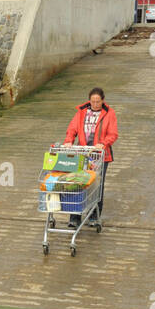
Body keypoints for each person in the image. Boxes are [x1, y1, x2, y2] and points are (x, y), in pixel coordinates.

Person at [63, 87, 118, 226]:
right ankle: (74, 217)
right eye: (92, 101)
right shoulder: (81, 112)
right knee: (77, 183)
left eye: (97, 102)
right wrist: (69, 141)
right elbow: (72, 129)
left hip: (99, 155)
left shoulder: (109, 114)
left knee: (97, 186)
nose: (95, 104)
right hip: (82, 153)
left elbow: (113, 134)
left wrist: (103, 143)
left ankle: (94, 215)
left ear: (102, 101)